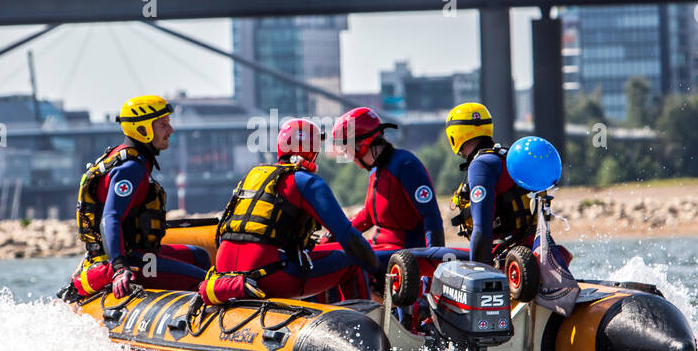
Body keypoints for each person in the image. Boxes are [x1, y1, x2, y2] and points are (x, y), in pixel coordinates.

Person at [199, 118, 377, 305]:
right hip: (268, 276)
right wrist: (377, 269)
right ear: (312, 150)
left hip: (224, 274)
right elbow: (348, 237)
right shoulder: (305, 181)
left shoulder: (254, 175)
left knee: (312, 258)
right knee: (352, 260)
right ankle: (363, 326)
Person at [66, 94, 210, 299]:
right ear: (143, 130)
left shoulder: (132, 161)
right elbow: (110, 218)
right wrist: (119, 268)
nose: (171, 130)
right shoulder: (130, 169)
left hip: (138, 254)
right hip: (130, 261)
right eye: (163, 125)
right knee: (207, 282)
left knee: (200, 256)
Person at [331, 106, 444, 250]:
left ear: (362, 144)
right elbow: (367, 216)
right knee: (321, 253)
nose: (348, 156)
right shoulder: (376, 170)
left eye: (347, 150)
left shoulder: (406, 165)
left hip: (402, 254)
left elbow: (431, 216)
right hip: (379, 249)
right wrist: (333, 235)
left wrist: (433, 259)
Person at [443, 102, 536, 266]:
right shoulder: (508, 157)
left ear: (454, 134)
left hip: (503, 258)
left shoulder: (481, 164)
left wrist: (478, 274)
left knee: (412, 256)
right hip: (532, 253)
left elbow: (481, 230)